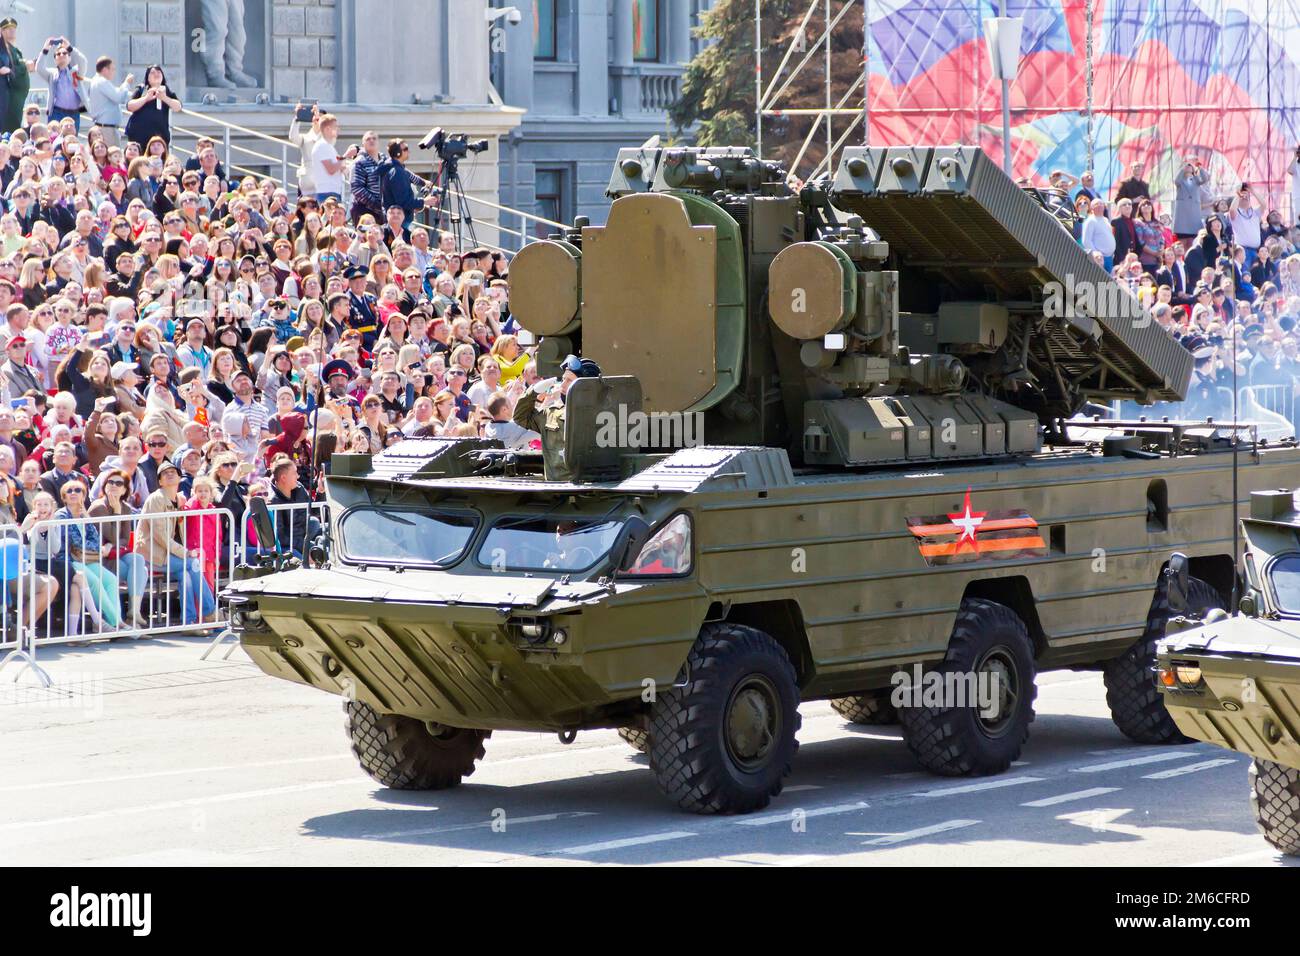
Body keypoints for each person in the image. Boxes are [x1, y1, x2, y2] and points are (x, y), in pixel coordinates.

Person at [137, 459, 215, 625]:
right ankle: (210, 611)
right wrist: (185, 552)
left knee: (186, 576)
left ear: (180, 478)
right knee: (193, 563)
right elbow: (160, 536)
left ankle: (189, 621)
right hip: (152, 554)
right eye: (165, 473)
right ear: (160, 481)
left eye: (173, 472)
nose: (170, 474)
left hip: (169, 555)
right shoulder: (156, 499)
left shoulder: (180, 499)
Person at [512, 353, 601, 482]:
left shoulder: (603, 416)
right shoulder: (552, 414)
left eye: (569, 380)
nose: (563, 385)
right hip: (556, 488)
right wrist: (533, 391)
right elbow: (520, 416)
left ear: (586, 387)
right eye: (563, 379)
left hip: (591, 487)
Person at [124, 65, 180, 149]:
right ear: (148, 78)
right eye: (153, 72)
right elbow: (129, 106)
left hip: (159, 136)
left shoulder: (166, 91)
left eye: (159, 72)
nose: (156, 74)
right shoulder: (142, 89)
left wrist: (164, 98)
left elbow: (178, 107)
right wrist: (146, 98)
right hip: (139, 134)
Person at [85, 56, 134, 146]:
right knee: (111, 152)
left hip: (106, 127)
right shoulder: (102, 82)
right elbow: (119, 97)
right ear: (105, 69)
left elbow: (116, 95)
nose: (114, 72)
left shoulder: (96, 81)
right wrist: (126, 83)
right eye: (112, 69)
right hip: (107, 129)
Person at [309, 113, 355, 203]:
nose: (338, 129)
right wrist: (346, 155)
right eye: (335, 127)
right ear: (327, 129)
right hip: (327, 193)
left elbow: (338, 166)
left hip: (332, 191)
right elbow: (331, 169)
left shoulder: (328, 146)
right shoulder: (322, 146)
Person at [0, 17, 33, 135]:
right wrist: (24, 67)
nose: (12, 30)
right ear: (1, 31)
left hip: (16, 101)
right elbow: (6, 69)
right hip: (7, 100)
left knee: (13, 131)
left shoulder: (15, 50)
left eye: (13, 28)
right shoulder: (2, 49)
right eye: (8, 28)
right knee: (7, 132)